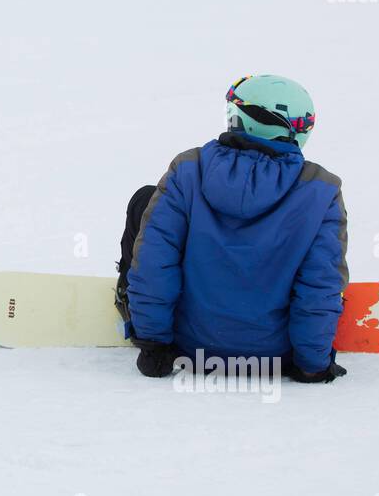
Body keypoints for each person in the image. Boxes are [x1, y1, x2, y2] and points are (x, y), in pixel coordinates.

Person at [114, 74, 348, 383]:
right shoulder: (321, 191)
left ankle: (129, 299)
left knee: (145, 202)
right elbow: (319, 285)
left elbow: (156, 264)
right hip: (273, 355)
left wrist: (153, 345)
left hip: (188, 345)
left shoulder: (188, 169)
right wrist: (312, 363)